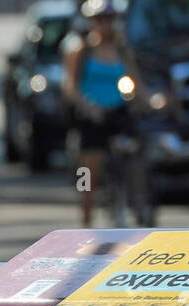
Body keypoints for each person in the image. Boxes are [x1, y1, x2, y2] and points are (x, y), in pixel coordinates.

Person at [61, 0, 139, 227]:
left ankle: (136, 202)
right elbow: (71, 86)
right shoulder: (82, 50)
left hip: (118, 112)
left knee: (135, 152)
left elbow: (136, 82)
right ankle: (86, 223)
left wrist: (152, 99)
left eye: (109, 19)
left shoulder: (122, 50)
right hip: (93, 116)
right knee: (89, 176)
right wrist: (88, 106)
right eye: (99, 19)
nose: (104, 24)